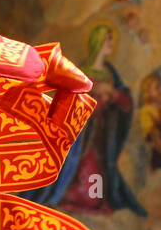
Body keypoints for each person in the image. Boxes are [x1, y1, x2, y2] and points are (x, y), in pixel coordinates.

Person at [23, 24, 146, 216]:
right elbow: (67, 102)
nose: (111, 44)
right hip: (78, 139)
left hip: (99, 140)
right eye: (108, 40)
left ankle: (84, 200)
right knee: (73, 177)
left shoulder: (110, 73)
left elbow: (126, 102)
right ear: (98, 42)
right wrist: (94, 97)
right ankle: (60, 196)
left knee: (94, 193)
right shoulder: (80, 71)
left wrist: (113, 94)